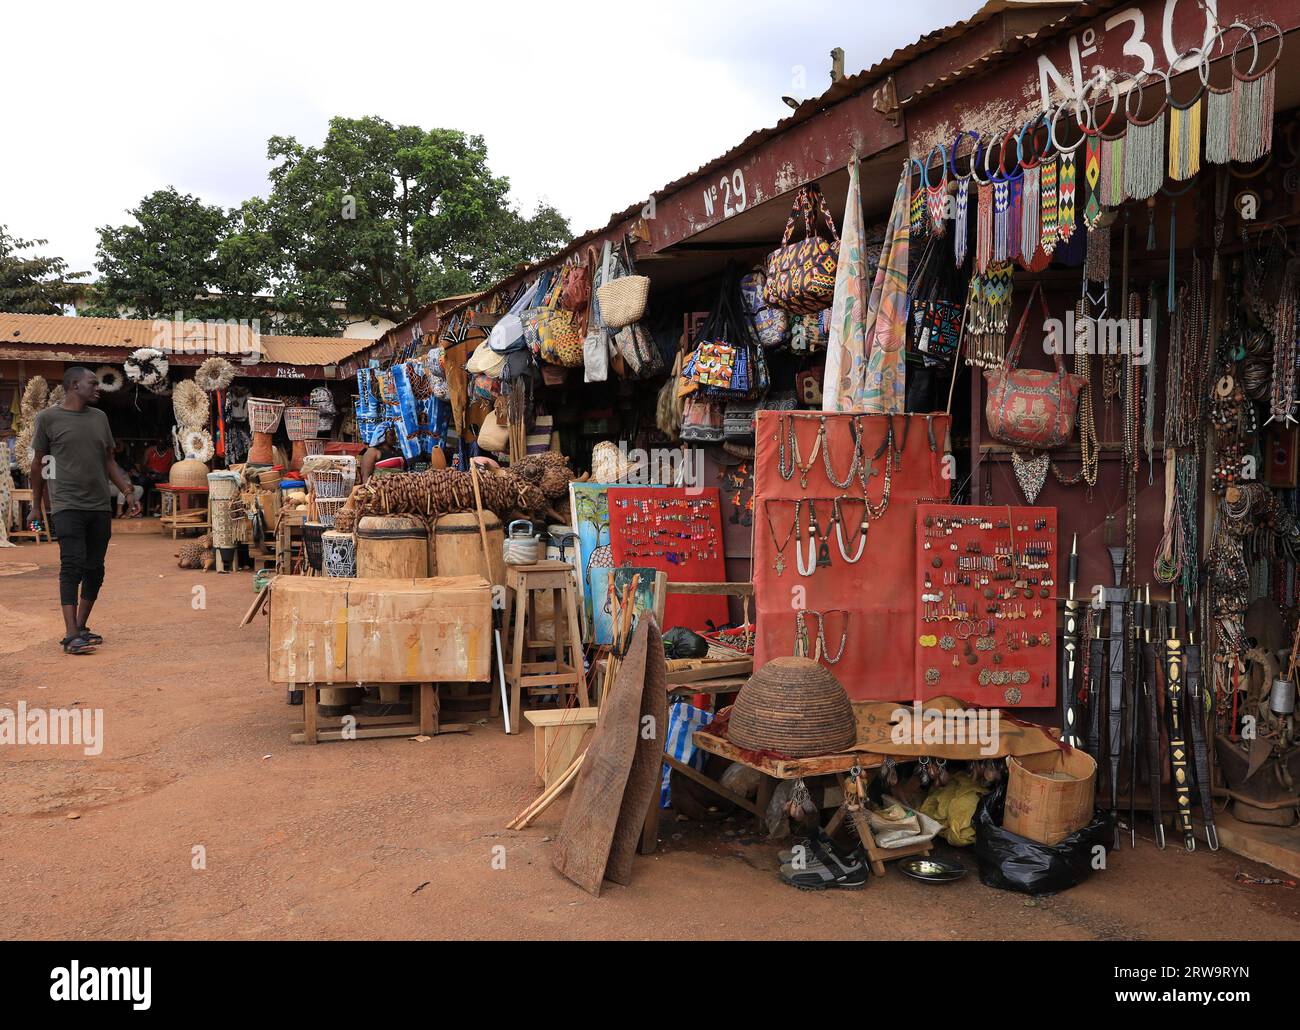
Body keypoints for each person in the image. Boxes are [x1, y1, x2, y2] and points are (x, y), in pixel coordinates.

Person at [29, 367, 141, 654]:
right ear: (74, 385)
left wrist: (127, 491)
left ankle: (80, 627)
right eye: (92, 383)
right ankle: (70, 635)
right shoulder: (48, 419)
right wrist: (36, 505)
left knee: (95, 568)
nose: (97, 388)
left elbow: (108, 462)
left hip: (99, 505)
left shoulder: (99, 418)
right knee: (72, 564)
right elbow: (39, 465)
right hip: (67, 505)